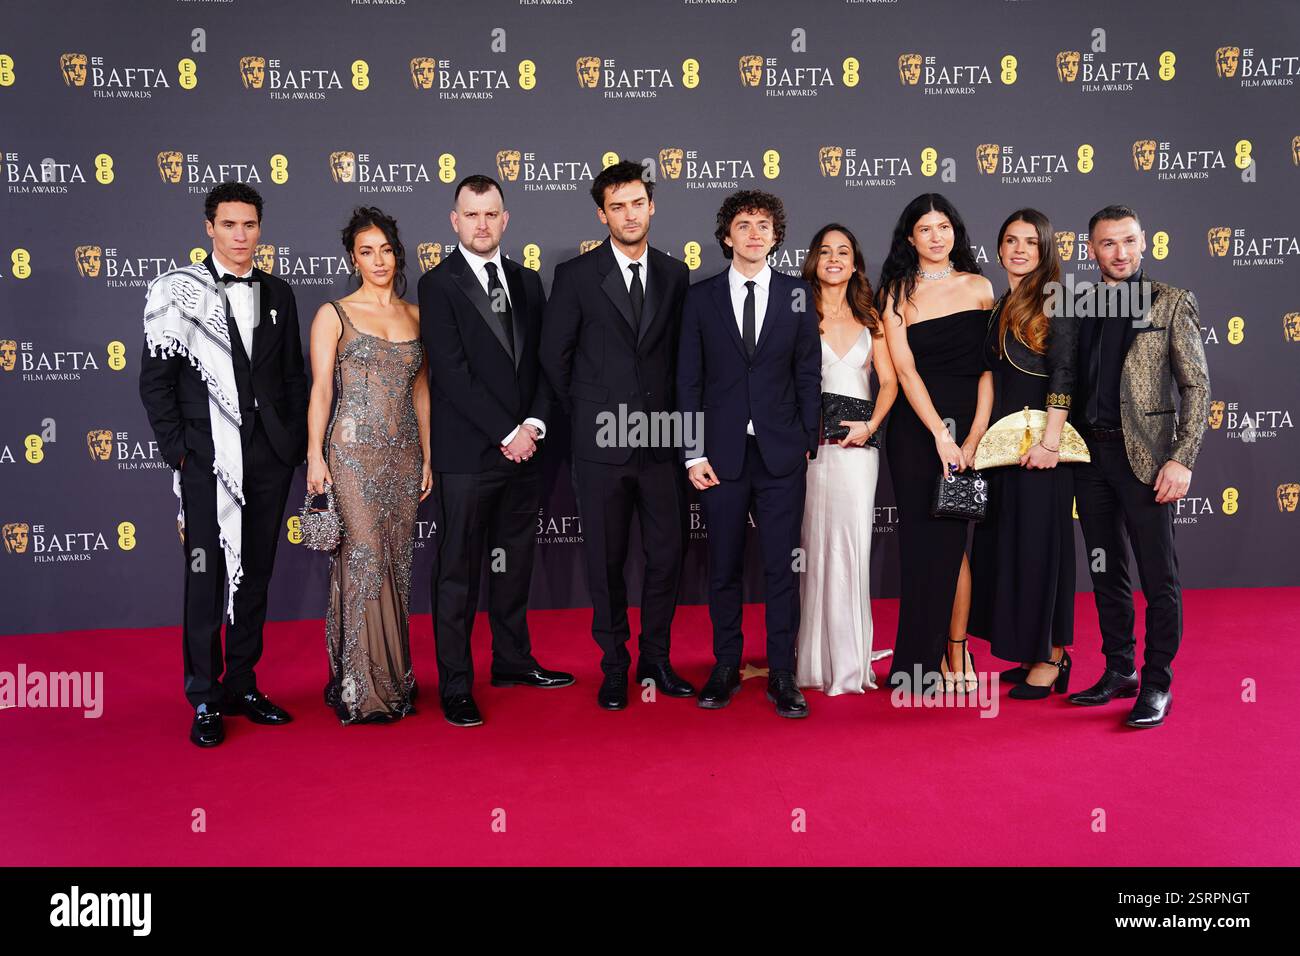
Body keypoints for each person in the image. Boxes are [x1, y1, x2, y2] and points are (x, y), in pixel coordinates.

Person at [139, 181, 307, 748]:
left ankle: (241, 684)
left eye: (250, 225)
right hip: (207, 461)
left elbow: (290, 379)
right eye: (229, 225)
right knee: (206, 579)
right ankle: (204, 697)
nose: (240, 236)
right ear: (208, 228)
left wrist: (291, 447)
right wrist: (181, 453)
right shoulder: (179, 293)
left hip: (268, 459)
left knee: (255, 574)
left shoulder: (280, 293)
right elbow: (155, 382)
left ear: (261, 229)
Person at [418, 174, 574, 728]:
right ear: (454, 221)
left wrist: (531, 424)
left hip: (526, 450)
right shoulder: (437, 286)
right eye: (472, 214)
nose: (482, 224)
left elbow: (544, 366)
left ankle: (511, 660)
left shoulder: (530, 283)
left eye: (491, 214)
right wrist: (507, 433)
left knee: (513, 564)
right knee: (457, 573)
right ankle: (456, 684)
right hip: (468, 455)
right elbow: (453, 375)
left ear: (506, 221)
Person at [540, 160, 694, 710]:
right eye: (617, 206)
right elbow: (555, 360)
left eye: (637, 203)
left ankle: (656, 658)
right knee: (604, 561)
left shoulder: (677, 276)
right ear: (602, 214)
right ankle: (614, 665)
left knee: (666, 555)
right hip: (600, 444)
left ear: (651, 206)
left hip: (663, 439)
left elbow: (683, 362)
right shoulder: (577, 277)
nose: (629, 214)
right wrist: (591, 415)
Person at [677, 190, 821, 719]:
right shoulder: (700, 297)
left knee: (783, 567)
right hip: (720, 456)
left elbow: (808, 371)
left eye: (764, 224)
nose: (755, 232)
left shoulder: (797, 294)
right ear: (726, 235)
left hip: (783, 455)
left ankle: (783, 672)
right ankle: (725, 665)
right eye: (744, 224)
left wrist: (809, 438)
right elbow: (687, 380)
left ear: (777, 235)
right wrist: (693, 453)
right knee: (725, 566)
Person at [1067, 204, 1210, 728]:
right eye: (1108, 244)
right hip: (1090, 458)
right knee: (1106, 571)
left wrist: (1182, 457)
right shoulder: (1080, 304)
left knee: (1158, 575)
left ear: (1144, 242)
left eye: (1128, 241)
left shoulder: (1172, 302)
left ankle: (1156, 683)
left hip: (1147, 460)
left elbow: (1196, 386)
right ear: (1092, 251)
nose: (1119, 253)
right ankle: (1119, 669)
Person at [306, 207, 431, 724]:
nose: (378, 260)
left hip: (404, 457)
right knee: (363, 560)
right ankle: (360, 685)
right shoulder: (333, 313)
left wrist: (428, 454)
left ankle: (394, 674)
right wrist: (315, 456)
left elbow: (422, 390)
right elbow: (321, 391)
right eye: (366, 251)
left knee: (398, 565)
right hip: (352, 455)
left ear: (396, 253)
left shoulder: (417, 314)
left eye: (385, 249)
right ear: (353, 257)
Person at [876, 193, 995, 694]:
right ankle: (915, 665)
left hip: (970, 428)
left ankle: (953, 654)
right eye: (924, 229)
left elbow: (990, 369)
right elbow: (903, 370)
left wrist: (973, 435)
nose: (935, 236)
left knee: (953, 545)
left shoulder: (981, 286)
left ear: (955, 231)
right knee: (921, 546)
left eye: (943, 226)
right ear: (910, 238)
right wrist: (941, 435)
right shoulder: (896, 293)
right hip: (916, 430)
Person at [968, 209, 1078, 700]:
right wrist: (977, 438)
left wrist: (1051, 442)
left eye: (1030, 243)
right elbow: (990, 376)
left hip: (1042, 446)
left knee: (1041, 550)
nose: (1018, 250)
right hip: (1005, 445)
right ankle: (1033, 651)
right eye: (1010, 240)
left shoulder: (1055, 298)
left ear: (1045, 249)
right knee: (1012, 548)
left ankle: (1054, 657)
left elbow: (1064, 373)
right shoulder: (1001, 304)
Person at [794, 223, 898, 695]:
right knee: (814, 547)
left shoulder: (871, 317)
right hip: (812, 452)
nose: (834, 258)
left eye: (844, 251)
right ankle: (813, 658)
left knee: (852, 546)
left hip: (858, 453)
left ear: (855, 263)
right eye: (825, 251)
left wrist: (871, 426)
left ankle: (852, 658)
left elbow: (890, 382)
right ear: (814, 259)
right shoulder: (795, 311)